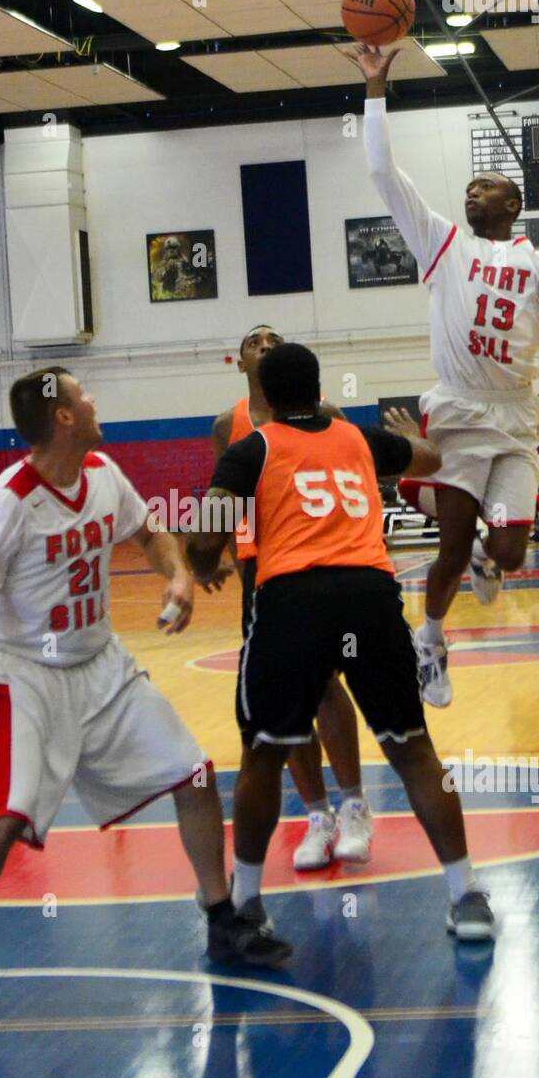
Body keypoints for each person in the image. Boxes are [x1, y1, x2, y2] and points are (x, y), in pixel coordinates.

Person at [0, 367, 290, 1028]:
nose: (92, 400)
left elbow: (150, 536)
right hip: (24, 675)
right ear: (61, 416)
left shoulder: (104, 475)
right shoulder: (7, 504)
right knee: (6, 813)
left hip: (100, 665)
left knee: (193, 772)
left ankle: (221, 918)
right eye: (81, 394)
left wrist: (176, 576)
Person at [187, 342, 495, 941]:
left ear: (267, 397)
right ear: (319, 388)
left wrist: (199, 559)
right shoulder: (358, 440)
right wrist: (402, 438)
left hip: (292, 603)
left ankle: (246, 903)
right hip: (369, 598)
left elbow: (204, 538)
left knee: (264, 754)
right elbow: (429, 458)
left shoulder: (251, 448)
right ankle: (468, 895)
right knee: (414, 751)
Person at [348, 42, 539, 707]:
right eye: (468, 185)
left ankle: (478, 540)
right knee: (455, 546)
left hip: (518, 414)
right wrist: (376, 87)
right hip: (461, 410)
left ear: (512, 202)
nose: (472, 189)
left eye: (484, 184)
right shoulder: (443, 243)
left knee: (513, 552)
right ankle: (429, 641)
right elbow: (383, 172)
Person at [211, 325, 373, 873]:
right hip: (264, 565)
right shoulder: (227, 426)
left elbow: (354, 472)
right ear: (239, 362)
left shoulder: (326, 412)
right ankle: (318, 814)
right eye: (254, 340)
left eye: (274, 339)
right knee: (287, 696)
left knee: (327, 681)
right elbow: (224, 495)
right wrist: (220, 557)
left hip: (323, 557)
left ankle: (353, 803)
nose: (265, 343)